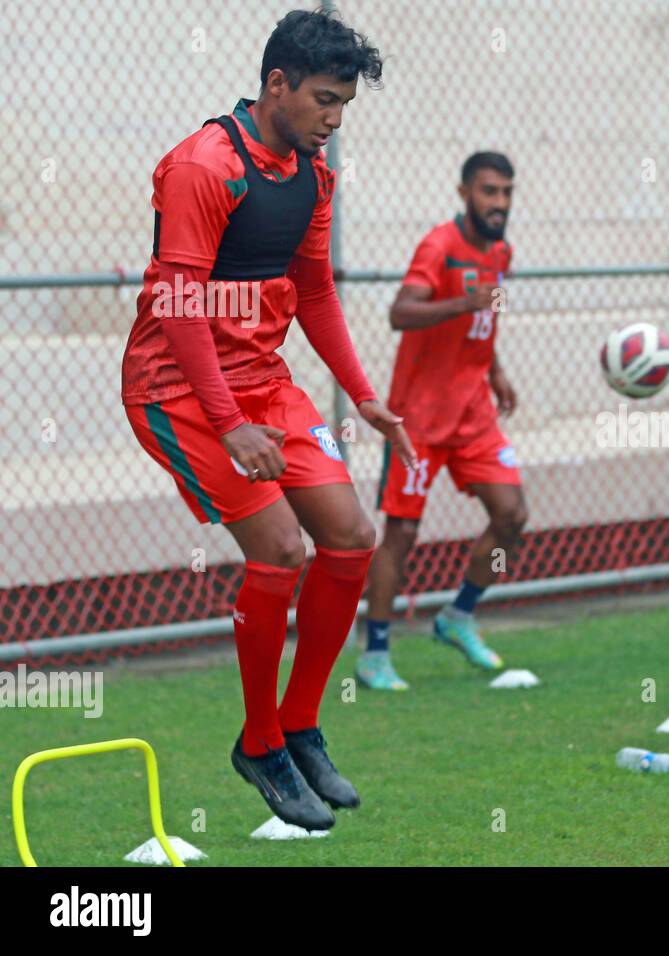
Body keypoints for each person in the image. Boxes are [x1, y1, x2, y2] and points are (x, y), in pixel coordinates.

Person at [121, 10, 415, 831]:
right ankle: (259, 743)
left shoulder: (314, 174)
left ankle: (298, 725)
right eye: (324, 100)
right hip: (177, 388)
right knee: (283, 547)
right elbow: (180, 307)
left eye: (345, 105)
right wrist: (226, 424)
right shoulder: (204, 167)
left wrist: (360, 393)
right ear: (275, 84)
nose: (334, 119)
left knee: (351, 537)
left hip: (262, 382)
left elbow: (314, 290)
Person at [358, 153, 525, 689]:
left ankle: (458, 616)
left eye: (505, 192)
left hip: (473, 411)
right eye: (489, 192)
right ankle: (376, 653)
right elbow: (400, 312)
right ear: (464, 193)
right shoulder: (439, 246)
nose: (498, 203)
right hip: (420, 419)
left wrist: (495, 369)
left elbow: (486, 315)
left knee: (512, 516)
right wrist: (459, 303)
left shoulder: (502, 251)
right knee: (402, 533)